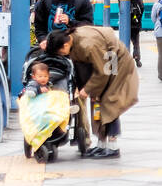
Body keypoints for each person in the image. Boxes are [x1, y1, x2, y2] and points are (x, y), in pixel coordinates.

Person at [46, 26, 139, 159]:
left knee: (109, 102)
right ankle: (101, 144)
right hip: (104, 65)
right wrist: (82, 87)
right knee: (96, 103)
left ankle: (113, 147)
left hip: (116, 65)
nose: (63, 55)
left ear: (65, 44)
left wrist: (87, 89)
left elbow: (103, 72)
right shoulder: (73, 39)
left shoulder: (88, 45)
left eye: (60, 52)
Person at [129, 0, 144, 66]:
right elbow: (142, 10)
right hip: (135, 25)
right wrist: (137, 20)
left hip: (126, 25)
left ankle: (125, 61)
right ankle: (137, 60)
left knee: (124, 43)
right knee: (136, 44)